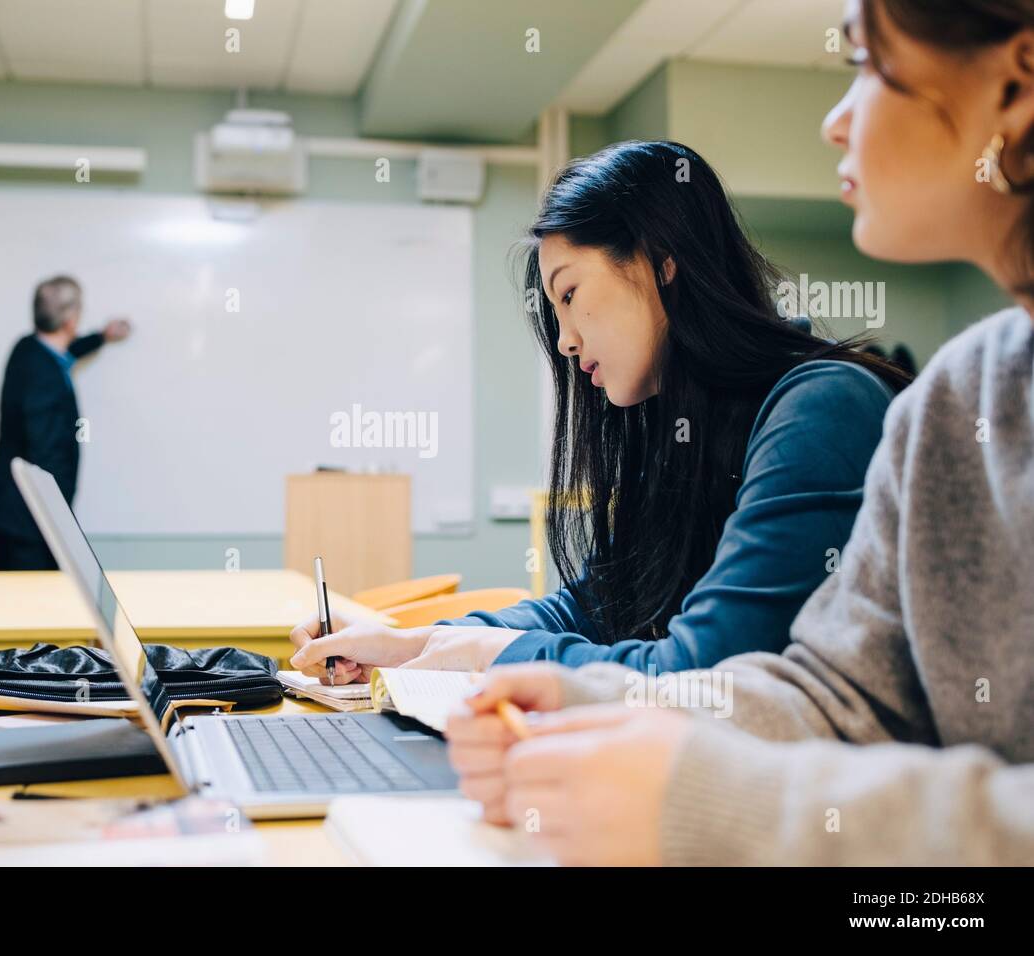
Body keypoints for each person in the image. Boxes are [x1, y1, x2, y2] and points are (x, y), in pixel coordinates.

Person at [445, 0, 1034, 866]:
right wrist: (575, 700)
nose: (835, 120)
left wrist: (710, 801)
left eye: (864, 66)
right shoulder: (958, 393)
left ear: (1015, 88)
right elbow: (840, 697)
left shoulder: (830, 403)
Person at [291, 141, 910, 681]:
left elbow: (700, 675)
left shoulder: (823, 408)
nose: (563, 340)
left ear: (663, 261)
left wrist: (492, 654)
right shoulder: (678, 431)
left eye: (570, 294)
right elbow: (592, 605)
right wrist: (411, 645)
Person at [0, 275, 131, 570]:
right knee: (30, 612)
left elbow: (66, 351)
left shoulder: (28, 350)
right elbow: (46, 455)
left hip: (16, 517)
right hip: (31, 525)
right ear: (70, 319)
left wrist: (102, 336)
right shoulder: (43, 374)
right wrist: (63, 524)